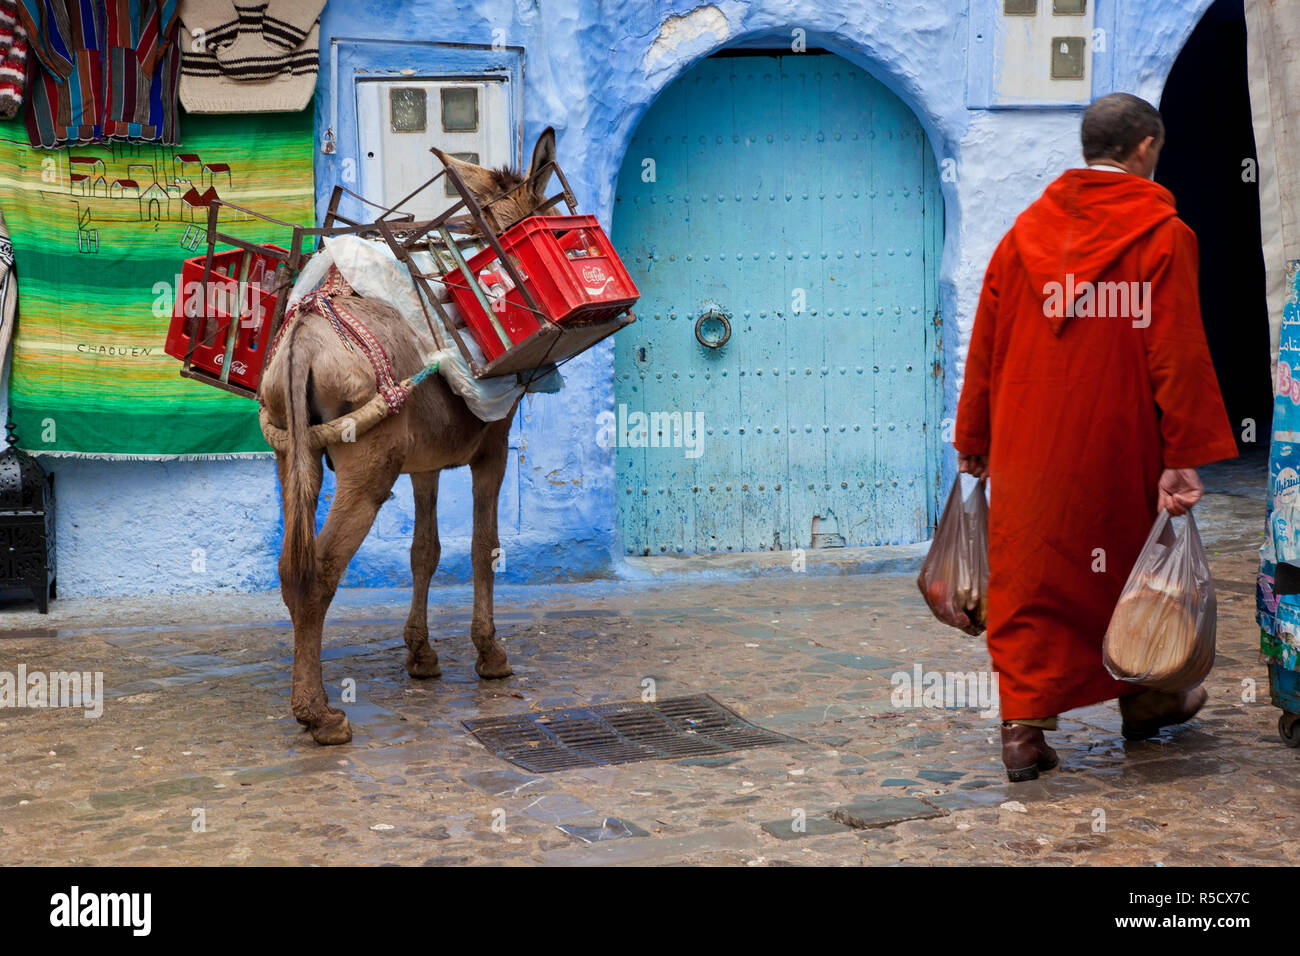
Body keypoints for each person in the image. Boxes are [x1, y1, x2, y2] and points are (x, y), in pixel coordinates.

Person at [954, 92, 1238, 782]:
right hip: (1118, 448)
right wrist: (1183, 456)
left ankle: (1022, 732)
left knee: (1033, 582)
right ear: (1146, 147)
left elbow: (985, 346)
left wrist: (975, 438)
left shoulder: (1022, 234)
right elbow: (1177, 351)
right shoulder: (1163, 236)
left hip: (1027, 448)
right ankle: (1148, 700)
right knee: (1130, 575)